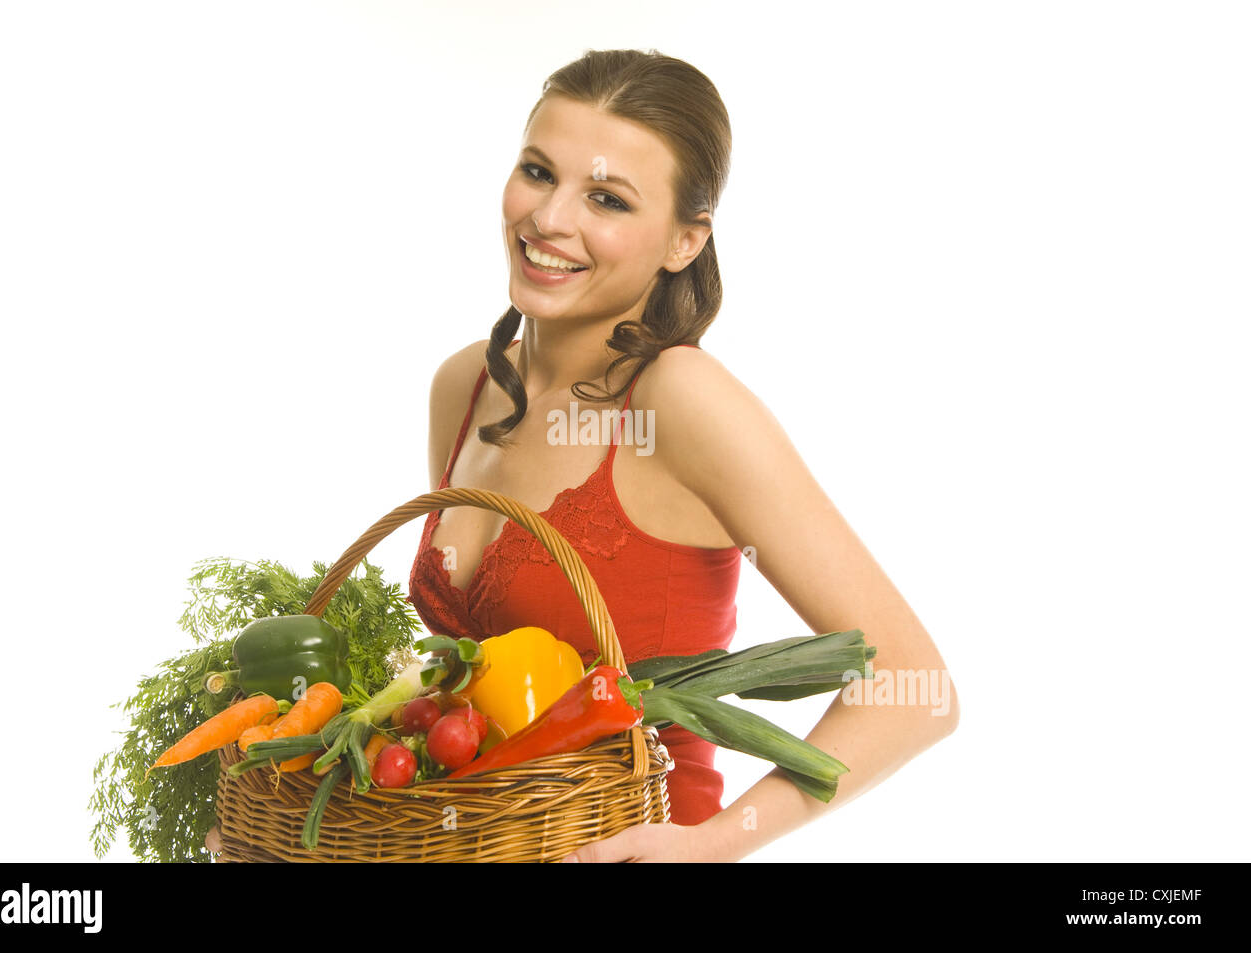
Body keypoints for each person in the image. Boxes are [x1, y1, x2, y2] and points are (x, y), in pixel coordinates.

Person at [407, 48, 960, 862]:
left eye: (606, 198)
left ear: (684, 240)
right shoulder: (465, 386)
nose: (550, 219)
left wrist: (710, 843)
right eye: (537, 171)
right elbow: (468, 687)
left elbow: (915, 689)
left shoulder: (678, 402)